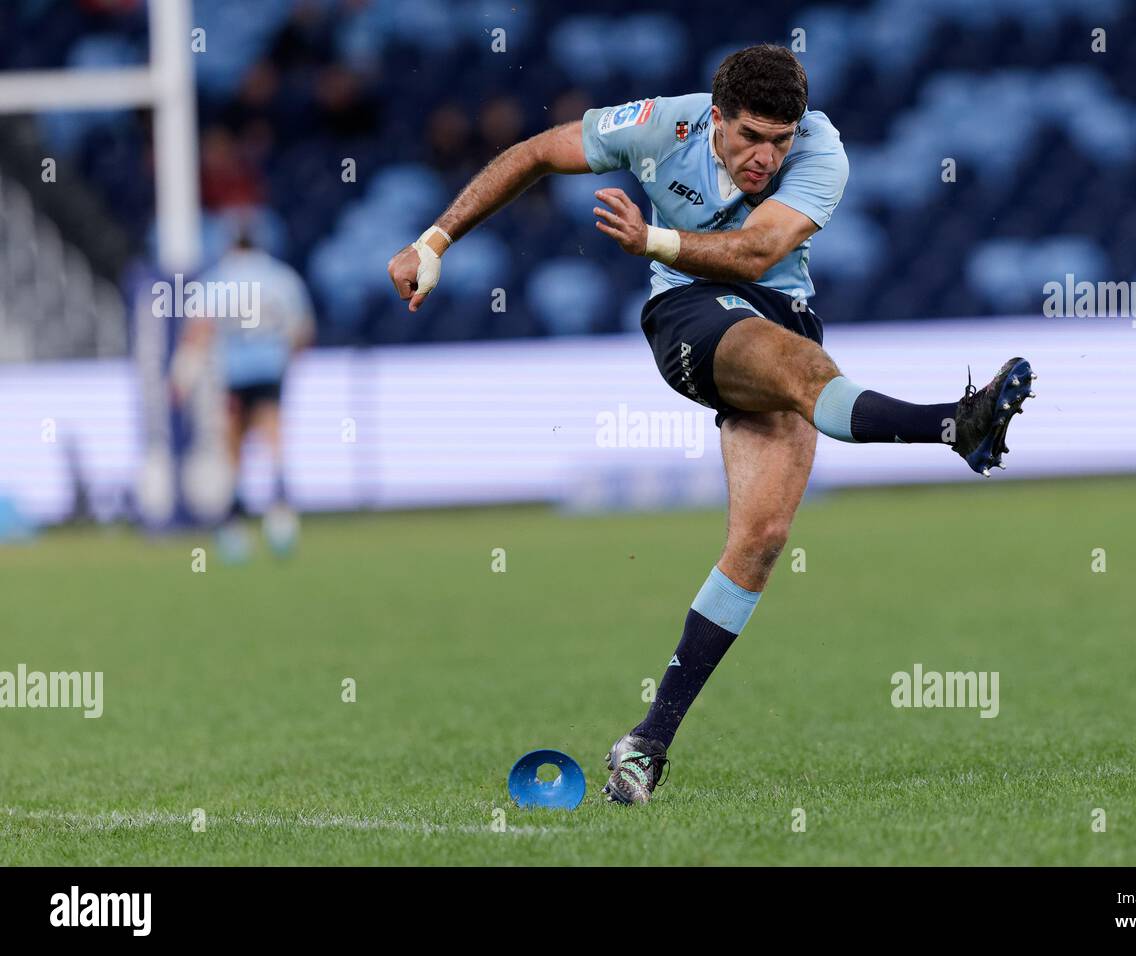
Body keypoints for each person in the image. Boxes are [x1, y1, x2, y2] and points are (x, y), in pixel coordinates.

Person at [387, 44, 1034, 803]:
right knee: (804, 374)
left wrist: (650, 237)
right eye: (751, 136)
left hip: (777, 313)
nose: (766, 157)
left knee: (760, 542)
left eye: (779, 141)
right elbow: (536, 152)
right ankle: (958, 425)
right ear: (716, 117)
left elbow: (761, 253)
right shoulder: (662, 125)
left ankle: (646, 745)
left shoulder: (821, 147)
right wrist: (434, 241)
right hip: (687, 311)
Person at [175, 230, 315, 559]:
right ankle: (281, 514)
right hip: (270, 368)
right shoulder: (282, 277)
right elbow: (302, 330)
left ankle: (234, 525)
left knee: (235, 446)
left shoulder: (218, 278)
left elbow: (199, 331)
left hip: (235, 373)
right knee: (273, 437)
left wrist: (182, 377)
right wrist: (286, 362)